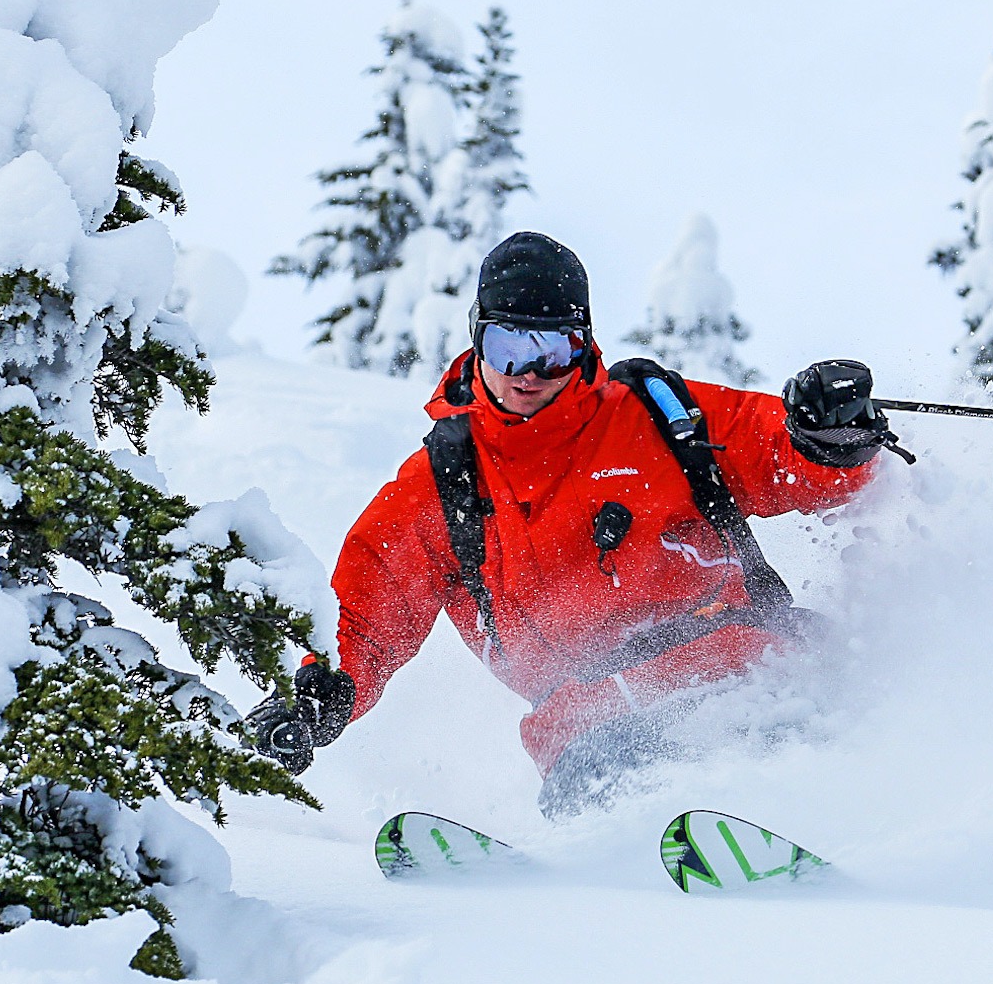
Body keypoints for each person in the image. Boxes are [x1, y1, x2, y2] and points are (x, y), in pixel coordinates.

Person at [247, 230, 903, 815]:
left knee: (820, 720)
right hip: (589, 718)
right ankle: (617, 880)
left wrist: (829, 439)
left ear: (583, 342)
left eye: (551, 350)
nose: (527, 373)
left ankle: (851, 822)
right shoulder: (446, 483)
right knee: (592, 773)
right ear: (477, 340)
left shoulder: (656, 415)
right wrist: (317, 693)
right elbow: (367, 608)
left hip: (745, 660)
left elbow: (777, 451)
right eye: (508, 347)